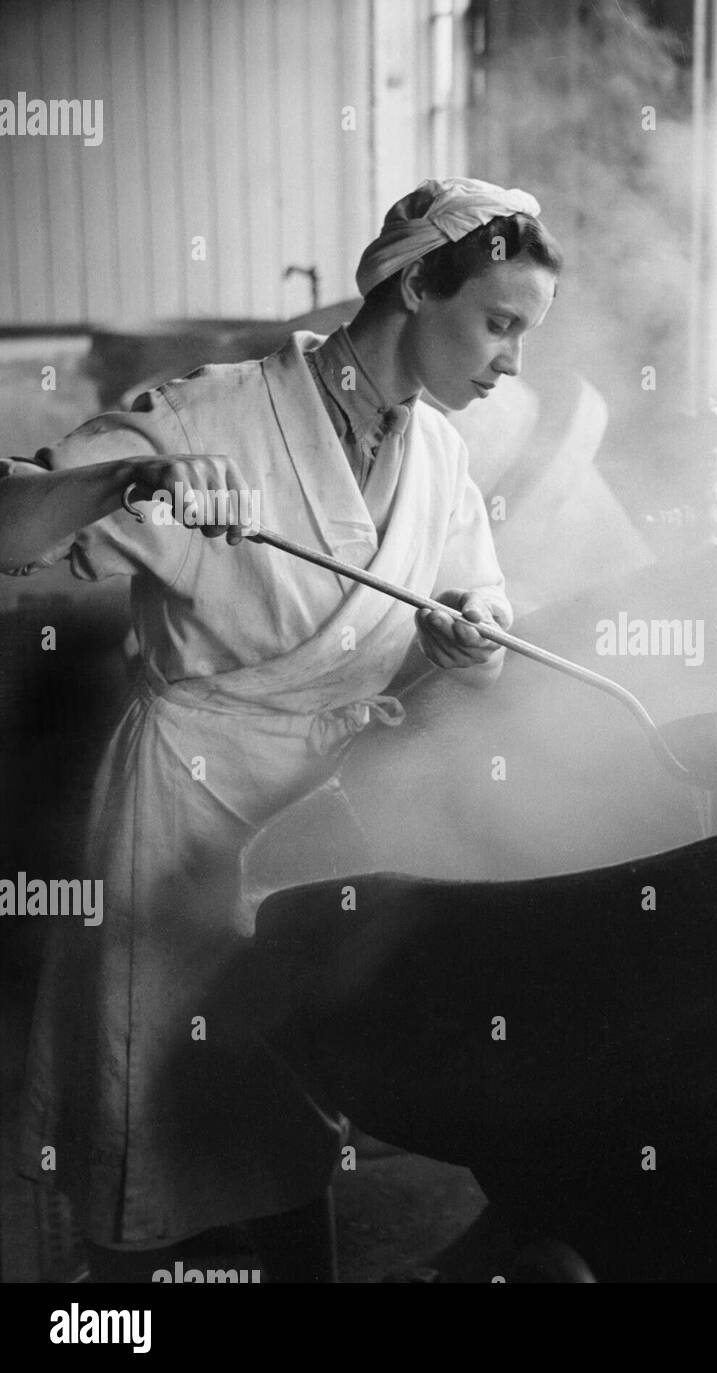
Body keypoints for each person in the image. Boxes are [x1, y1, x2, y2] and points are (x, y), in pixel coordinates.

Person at [1, 177, 561, 1281]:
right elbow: (8, 522)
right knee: (149, 1119)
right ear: (415, 286)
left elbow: (471, 611)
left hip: (307, 838)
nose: (512, 361)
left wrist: (475, 640)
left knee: (282, 1125)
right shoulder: (216, 411)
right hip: (180, 819)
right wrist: (134, 476)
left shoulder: (438, 454)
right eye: (500, 324)